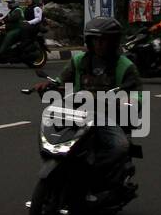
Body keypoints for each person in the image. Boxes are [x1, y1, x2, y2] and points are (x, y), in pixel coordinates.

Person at [36, 16, 142, 194]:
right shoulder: (79, 61)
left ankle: (97, 177)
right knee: (50, 134)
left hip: (107, 117)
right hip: (77, 113)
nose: (99, 44)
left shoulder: (125, 66)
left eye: (103, 40)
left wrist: (127, 101)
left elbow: (137, 94)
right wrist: (49, 85)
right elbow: (62, 80)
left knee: (120, 146)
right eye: (95, 40)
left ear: (113, 42)